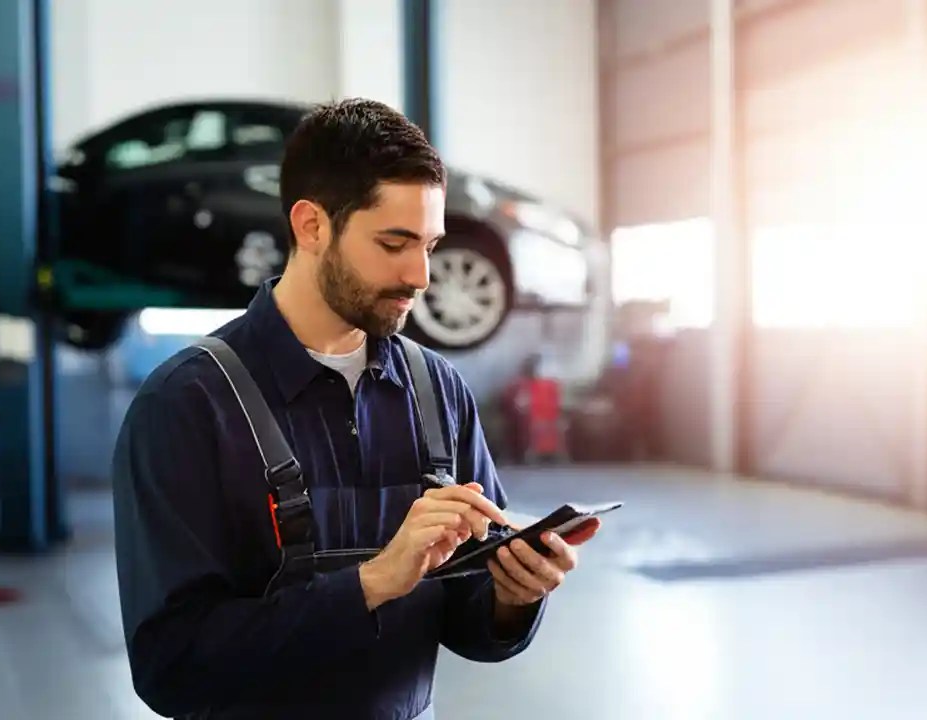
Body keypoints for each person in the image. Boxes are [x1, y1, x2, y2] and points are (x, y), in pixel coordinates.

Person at [111, 98, 599, 720]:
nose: (421, 276)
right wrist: (371, 584)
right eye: (394, 243)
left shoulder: (438, 392)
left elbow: (469, 619)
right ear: (311, 226)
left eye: (429, 244)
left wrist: (514, 594)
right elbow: (170, 666)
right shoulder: (186, 405)